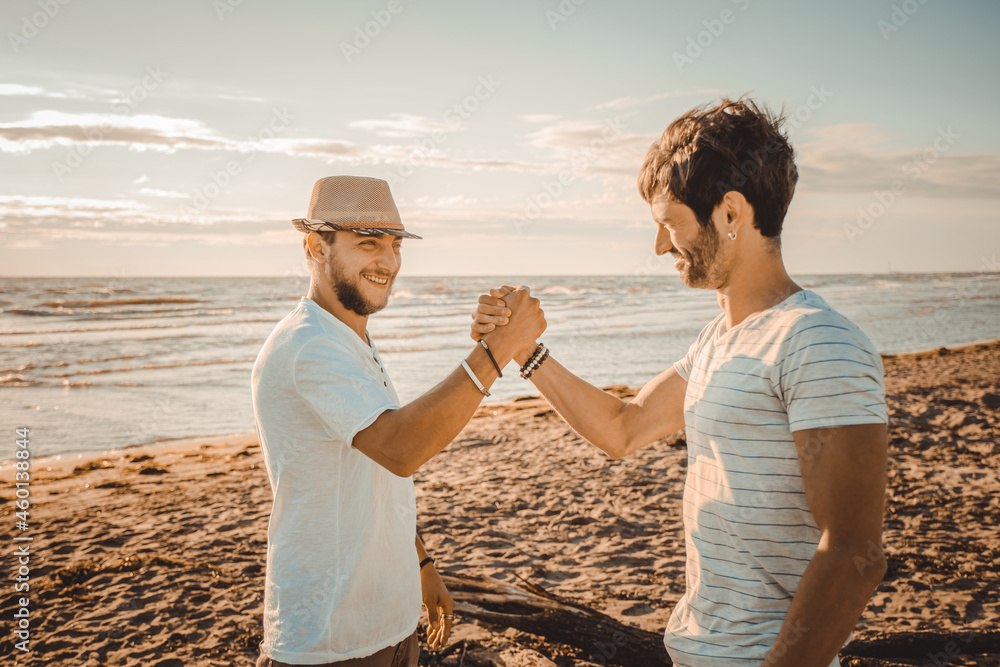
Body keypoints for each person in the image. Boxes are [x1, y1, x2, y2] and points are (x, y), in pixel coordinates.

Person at [473, 99, 889, 667]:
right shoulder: (718, 340)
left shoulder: (818, 343)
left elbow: (855, 552)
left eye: (670, 224)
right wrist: (525, 351)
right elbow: (623, 428)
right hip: (693, 650)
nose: (661, 247)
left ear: (730, 214)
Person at [252, 175, 546, 667]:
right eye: (368, 244)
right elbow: (401, 448)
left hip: (389, 625)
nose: (388, 262)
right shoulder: (309, 345)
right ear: (315, 246)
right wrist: (500, 348)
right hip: (329, 640)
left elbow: (375, 470)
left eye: (394, 245)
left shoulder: (350, 339)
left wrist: (423, 565)